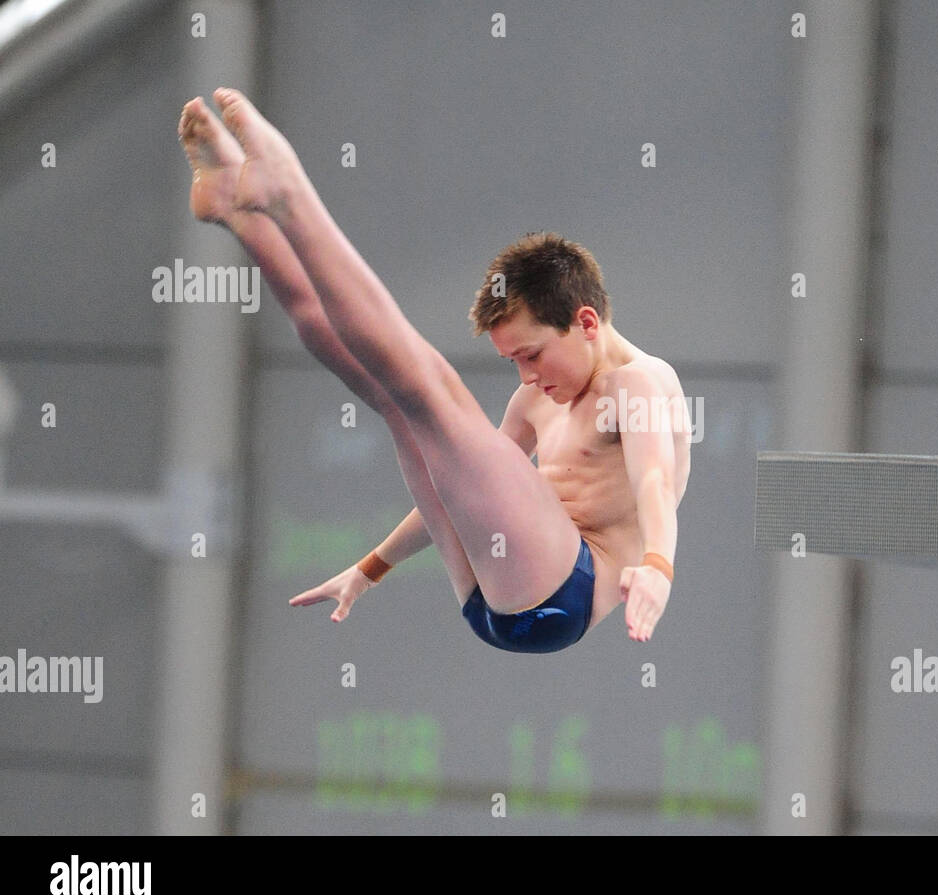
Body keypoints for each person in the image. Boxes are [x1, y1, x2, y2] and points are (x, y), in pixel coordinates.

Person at [177, 90, 690, 652]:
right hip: (488, 595)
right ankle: (241, 214)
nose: (526, 378)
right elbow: (464, 492)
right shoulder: (535, 402)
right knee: (394, 400)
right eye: (513, 361)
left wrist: (658, 568)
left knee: (431, 389)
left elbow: (654, 480)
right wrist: (370, 568)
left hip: (563, 594)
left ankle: (289, 196)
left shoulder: (640, 384)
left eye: (533, 354)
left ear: (586, 322)